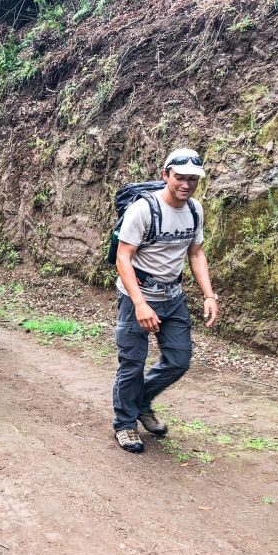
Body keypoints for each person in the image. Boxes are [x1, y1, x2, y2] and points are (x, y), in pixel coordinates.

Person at [112, 147, 219, 453]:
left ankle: (141, 401)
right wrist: (140, 303)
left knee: (179, 360)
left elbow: (196, 252)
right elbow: (123, 258)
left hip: (172, 296)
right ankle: (126, 424)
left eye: (192, 180)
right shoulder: (143, 211)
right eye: (180, 178)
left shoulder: (195, 210)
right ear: (166, 176)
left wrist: (209, 294)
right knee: (131, 364)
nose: (186, 185)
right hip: (138, 296)